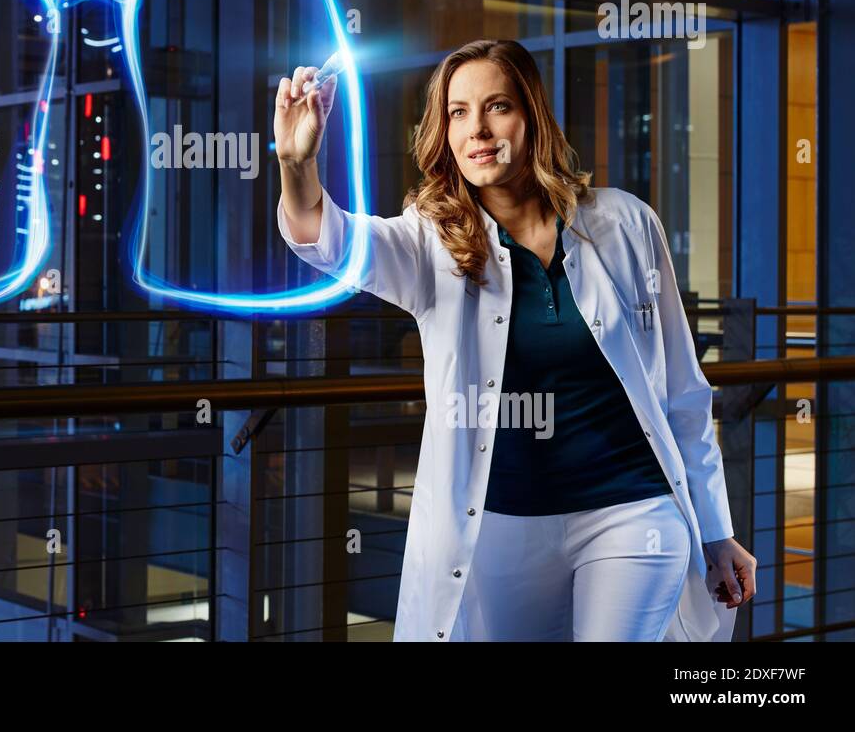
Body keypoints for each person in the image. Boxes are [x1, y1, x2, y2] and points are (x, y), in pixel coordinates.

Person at [274, 37, 757, 642]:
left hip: (633, 510)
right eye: (458, 112)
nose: (477, 128)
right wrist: (297, 164)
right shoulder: (430, 244)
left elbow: (683, 391)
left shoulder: (626, 224)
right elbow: (327, 239)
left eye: (497, 106)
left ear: (532, 117)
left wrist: (715, 529)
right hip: (499, 527)